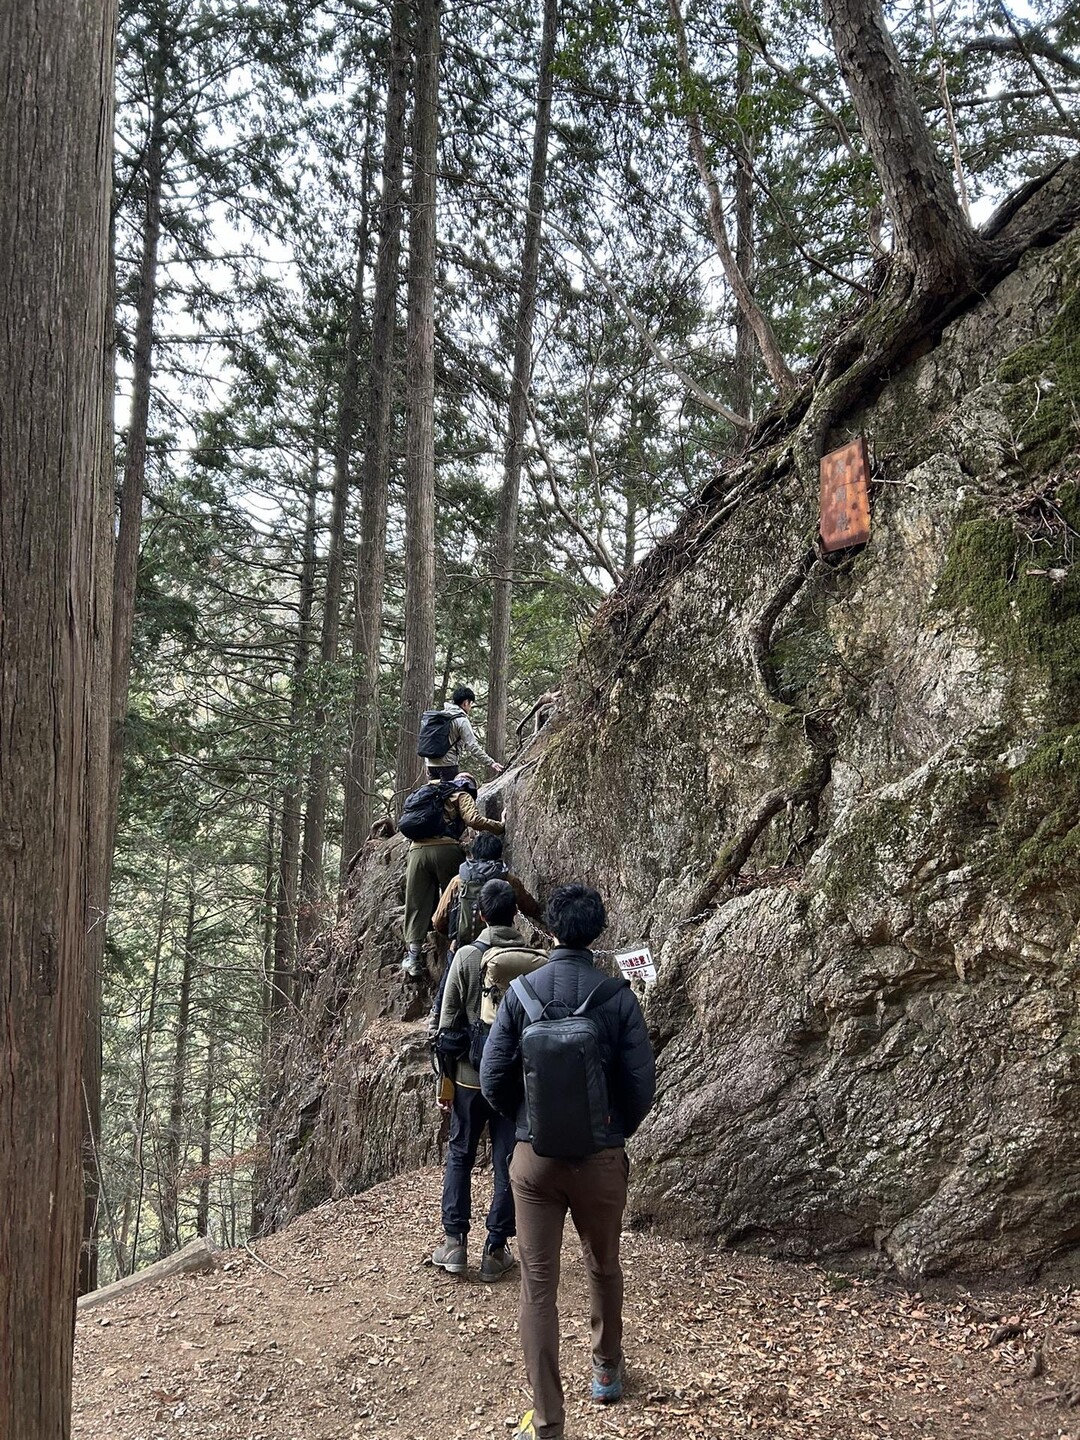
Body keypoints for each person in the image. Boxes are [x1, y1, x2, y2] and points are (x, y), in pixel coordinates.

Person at [480, 884, 656, 1440]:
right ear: (597, 932)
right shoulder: (617, 997)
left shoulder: (521, 994)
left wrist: (530, 1126)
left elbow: (491, 1079)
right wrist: (610, 1133)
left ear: (549, 930)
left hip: (534, 1163)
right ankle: (606, 1369)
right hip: (600, 1159)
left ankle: (549, 1420)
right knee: (603, 1264)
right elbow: (640, 1086)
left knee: (538, 1284)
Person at [432, 879, 541, 1282]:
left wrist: (444, 1081)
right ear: (514, 914)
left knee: (460, 1153)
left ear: (479, 914)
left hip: (467, 1079)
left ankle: (455, 1242)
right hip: (514, 1081)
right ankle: (496, 1248)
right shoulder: (533, 959)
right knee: (505, 1161)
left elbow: (446, 1028)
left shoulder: (464, 957)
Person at [400, 767, 503, 980]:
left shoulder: (428, 792)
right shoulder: (460, 794)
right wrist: (500, 826)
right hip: (446, 849)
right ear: (470, 785)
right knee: (457, 899)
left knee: (417, 902)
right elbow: (474, 820)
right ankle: (455, 945)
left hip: (417, 851)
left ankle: (414, 956)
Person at [432, 832, 543, 951]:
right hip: (501, 947)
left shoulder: (458, 881)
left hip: (466, 946)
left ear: (473, 854)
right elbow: (530, 907)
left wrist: (454, 937)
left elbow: (438, 920)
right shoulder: (509, 880)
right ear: (499, 855)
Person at [426, 685, 505, 777]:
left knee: (433, 790)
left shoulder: (440, 716)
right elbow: (472, 746)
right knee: (453, 791)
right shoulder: (461, 720)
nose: (470, 707)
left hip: (430, 764)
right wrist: (491, 763)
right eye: (471, 704)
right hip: (448, 766)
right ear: (465, 702)